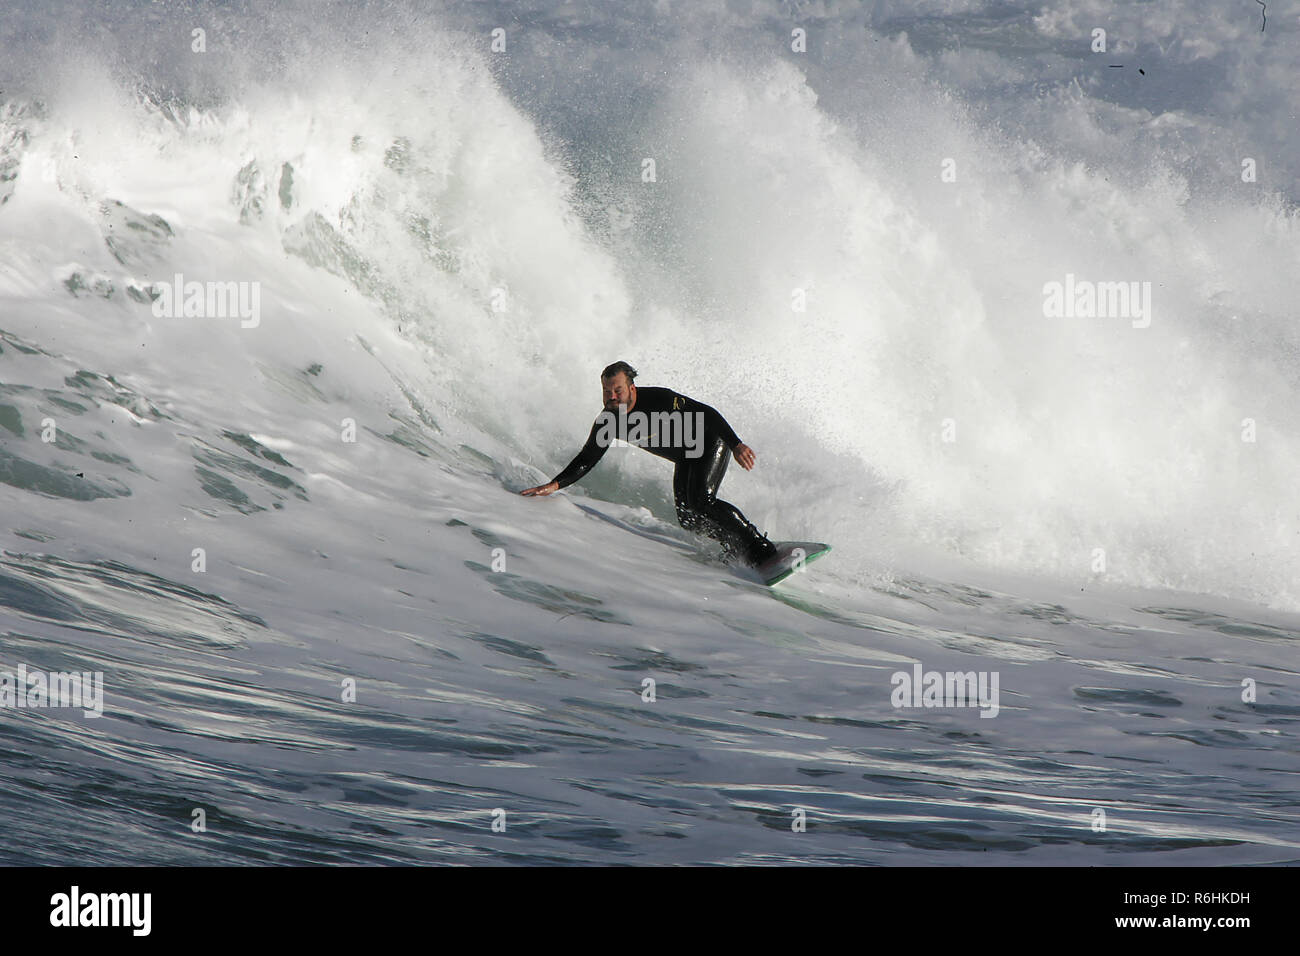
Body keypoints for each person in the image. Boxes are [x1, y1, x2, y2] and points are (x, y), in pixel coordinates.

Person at [521, 361, 779, 567]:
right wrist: (554, 485)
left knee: (702, 501)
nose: (612, 397)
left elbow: (706, 413)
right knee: (688, 519)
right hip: (686, 455)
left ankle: (758, 546)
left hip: (710, 440)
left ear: (631, 388)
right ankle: (735, 544)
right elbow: (587, 459)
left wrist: (736, 444)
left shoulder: (660, 401)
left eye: (618, 390)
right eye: (606, 391)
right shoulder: (608, 422)